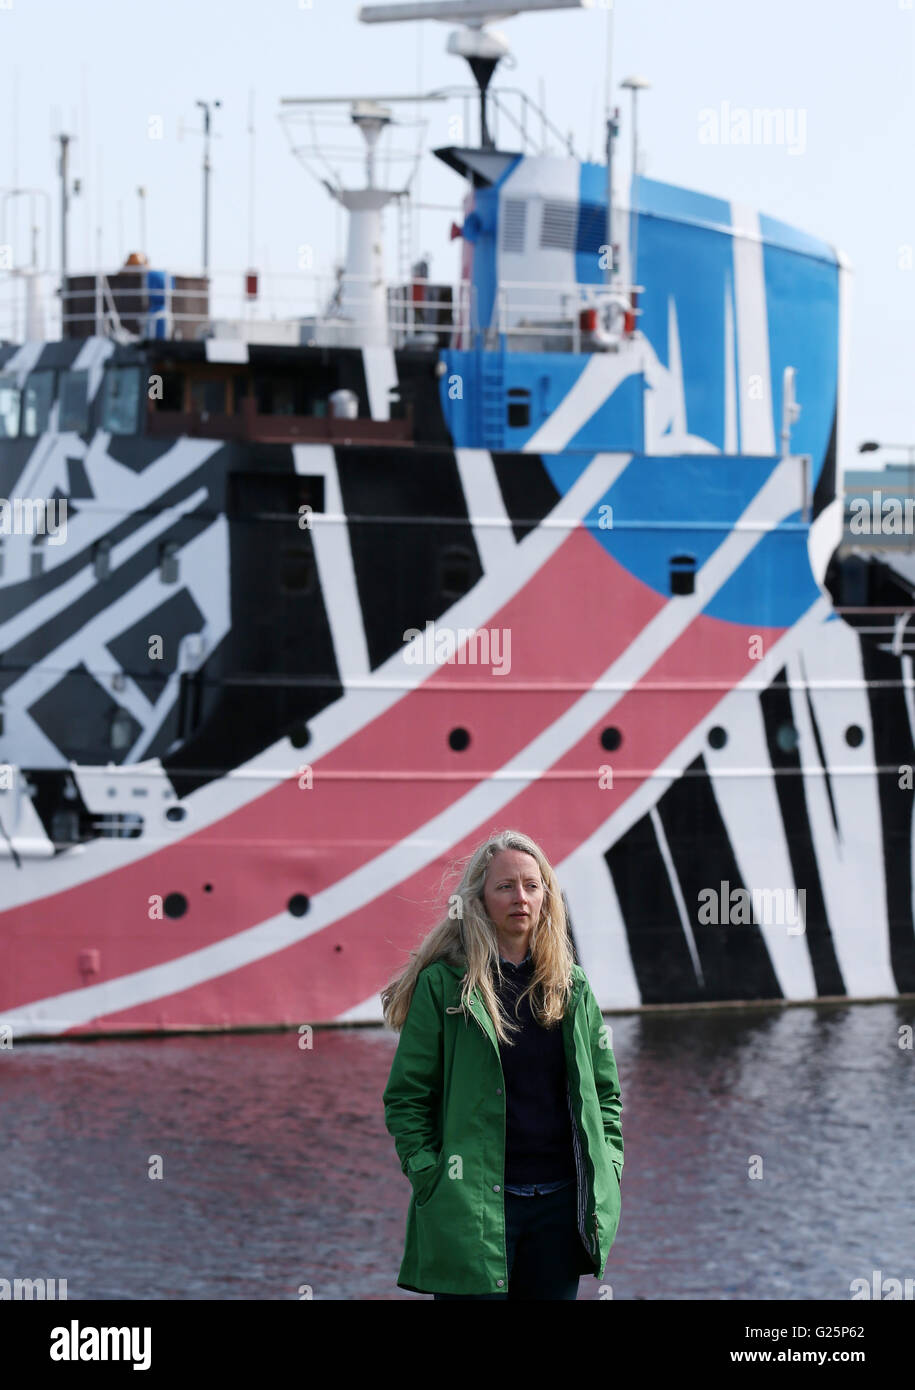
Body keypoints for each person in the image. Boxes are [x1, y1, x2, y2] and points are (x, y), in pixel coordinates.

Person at [381, 828, 623, 1300]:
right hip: (472, 1207)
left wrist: (609, 1164)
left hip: (559, 1209)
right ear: (479, 899)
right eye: (505, 886)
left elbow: (605, 1093)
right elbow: (407, 1098)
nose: (520, 898)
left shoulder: (570, 987)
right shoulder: (444, 987)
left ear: (546, 896)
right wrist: (430, 1177)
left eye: (532, 885)